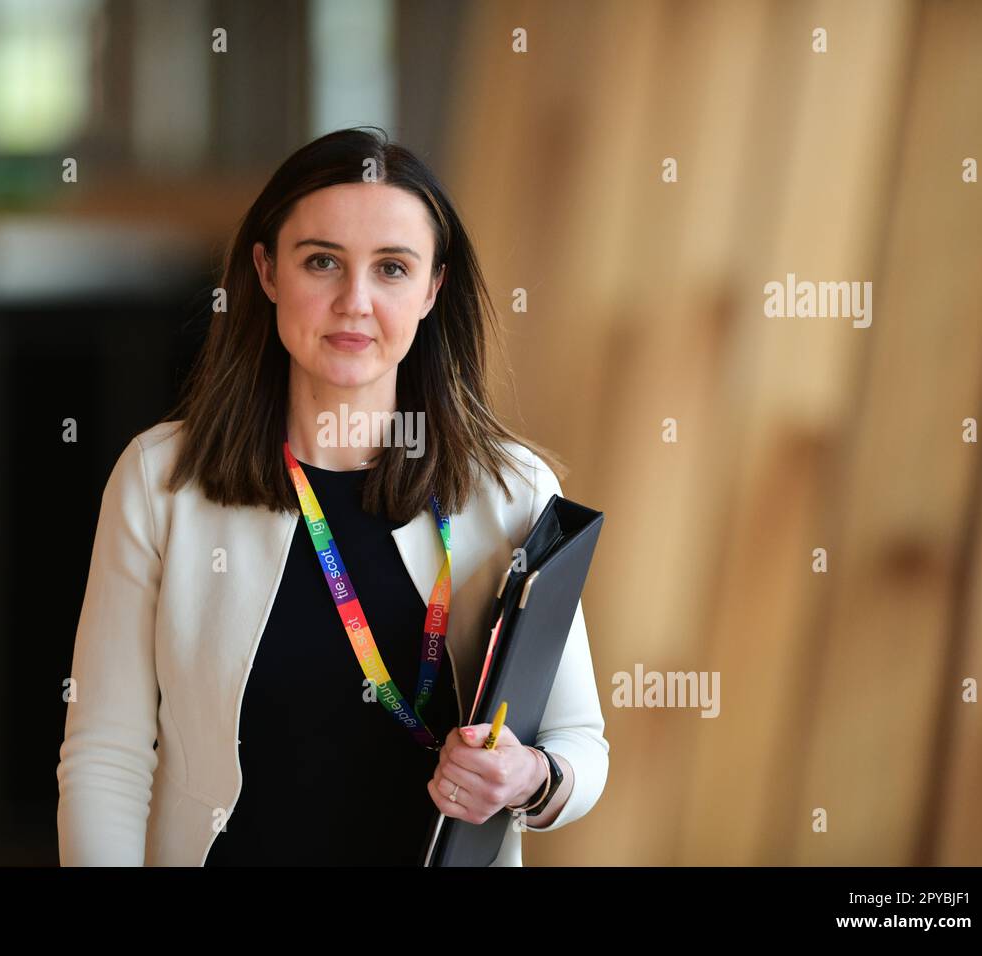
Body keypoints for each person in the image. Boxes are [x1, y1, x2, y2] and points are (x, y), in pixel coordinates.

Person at [56, 127, 609, 866]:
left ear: (432, 288)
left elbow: (579, 743)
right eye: (322, 262)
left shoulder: (512, 489)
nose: (355, 301)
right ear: (267, 271)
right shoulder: (159, 481)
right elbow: (107, 754)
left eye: (392, 268)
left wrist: (530, 777)